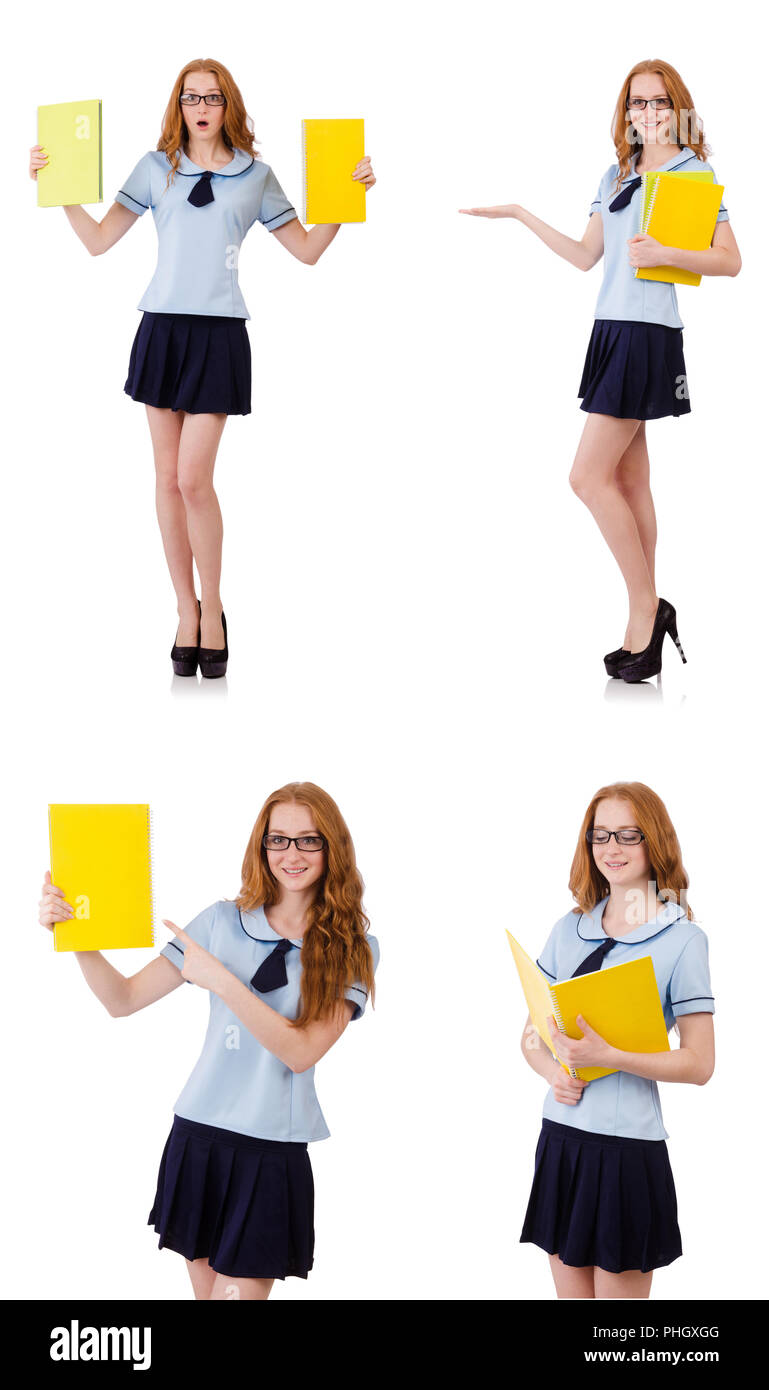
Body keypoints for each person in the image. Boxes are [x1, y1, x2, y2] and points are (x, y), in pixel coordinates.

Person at [29, 59, 376, 678]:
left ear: (228, 104)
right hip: (161, 329)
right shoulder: (156, 169)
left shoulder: (255, 176)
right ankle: (183, 611)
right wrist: (59, 191)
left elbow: (306, 251)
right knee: (166, 479)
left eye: (212, 97)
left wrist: (348, 199)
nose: (201, 107)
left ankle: (212, 608)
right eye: (191, 97)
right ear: (179, 105)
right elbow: (99, 239)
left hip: (218, 335)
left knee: (194, 479)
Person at [38, 781, 378, 1300]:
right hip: (200, 1136)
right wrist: (77, 937)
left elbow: (302, 1051)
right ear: (261, 847)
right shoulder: (220, 921)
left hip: (271, 1150)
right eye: (278, 839)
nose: (292, 853)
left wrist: (220, 978)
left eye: (309, 840)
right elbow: (123, 999)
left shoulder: (354, 948)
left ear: (333, 848)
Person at [460, 59, 740, 682]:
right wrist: (520, 215)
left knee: (586, 477)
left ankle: (648, 606)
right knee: (630, 482)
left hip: (647, 333)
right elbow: (588, 257)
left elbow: (730, 260)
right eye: (637, 103)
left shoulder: (693, 173)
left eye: (659, 103)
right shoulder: (616, 172)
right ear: (626, 112)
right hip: (610, 329)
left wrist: (667, 252)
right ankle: (643, 620)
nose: (647, 113)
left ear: (678, 109)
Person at [518, 781, 714, 1299]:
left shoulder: (683, 939)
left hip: (625, 1150)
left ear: (656, 843)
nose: (612, 848)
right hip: (562, 1139)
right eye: (600, 835)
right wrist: (552, 1072)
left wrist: (611, 1056)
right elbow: (532, 1035)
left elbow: (700, 1063)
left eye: (629, 835)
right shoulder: (568, 928)